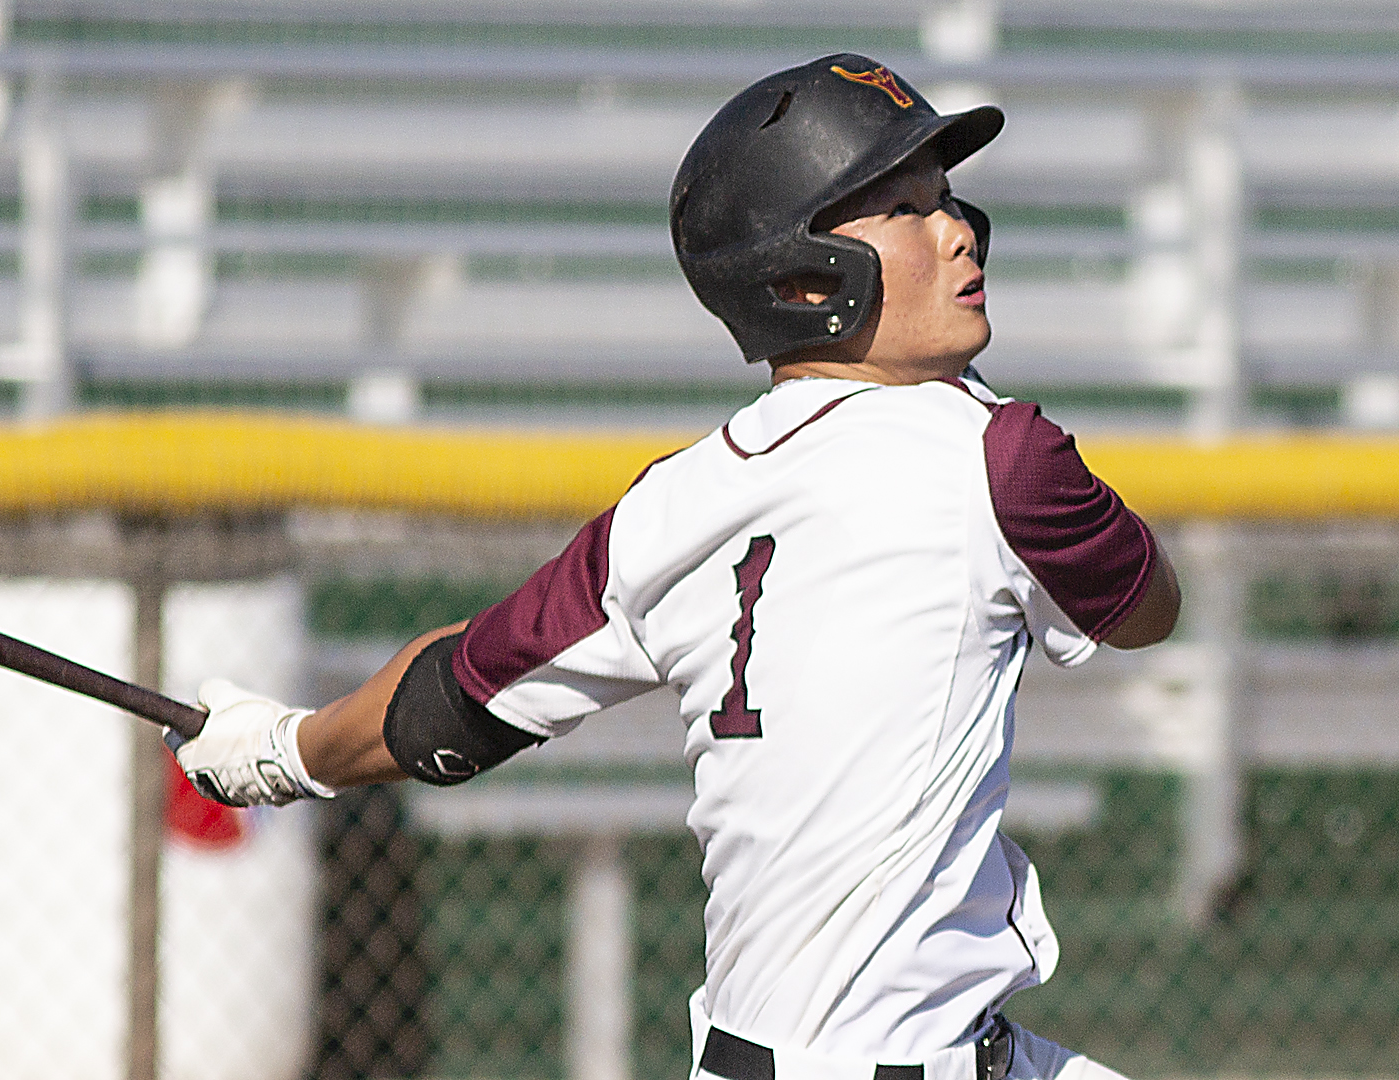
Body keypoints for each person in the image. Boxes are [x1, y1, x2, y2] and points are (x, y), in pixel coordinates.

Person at [168, 54, 1181, 1080]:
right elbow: (1146, 609)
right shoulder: (997, 454)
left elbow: (455, 696)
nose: (960, 230)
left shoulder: (674, 503)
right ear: (798, 278)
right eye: (906, 209)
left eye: (947, 198)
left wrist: (287, 747)